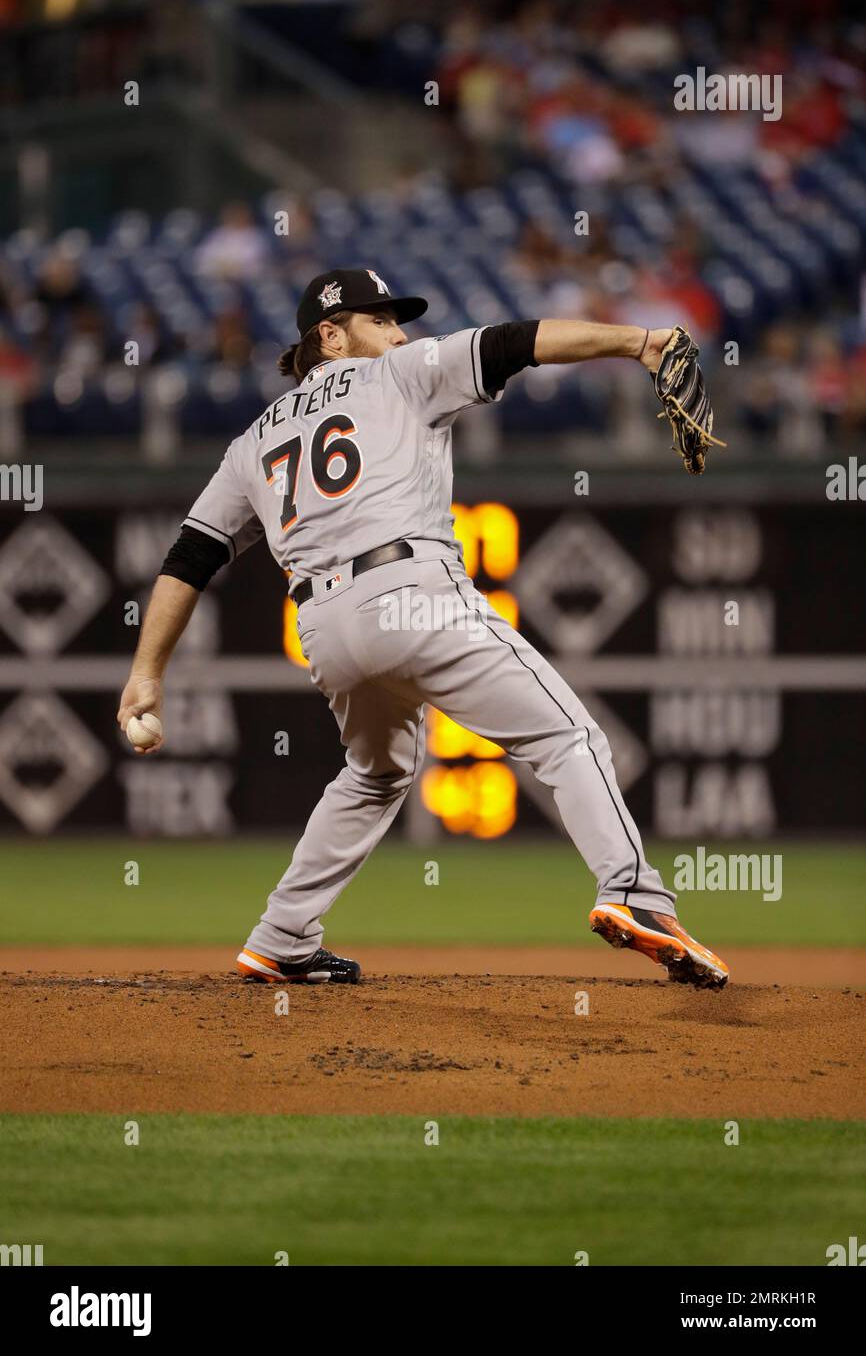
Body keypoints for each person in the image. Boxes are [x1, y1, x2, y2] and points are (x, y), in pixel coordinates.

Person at [117, 268, 730, 990]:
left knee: (377, 771)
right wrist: (643, 342)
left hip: (322, 625)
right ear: (331, 334)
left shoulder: (252, 441)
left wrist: (147, 672)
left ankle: (281, 937)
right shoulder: (400, 375)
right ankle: (634, 893)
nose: (400, 333)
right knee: (567, 736)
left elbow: (191, 556)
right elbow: (518, 342)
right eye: (381, 320)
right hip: (411, 592)